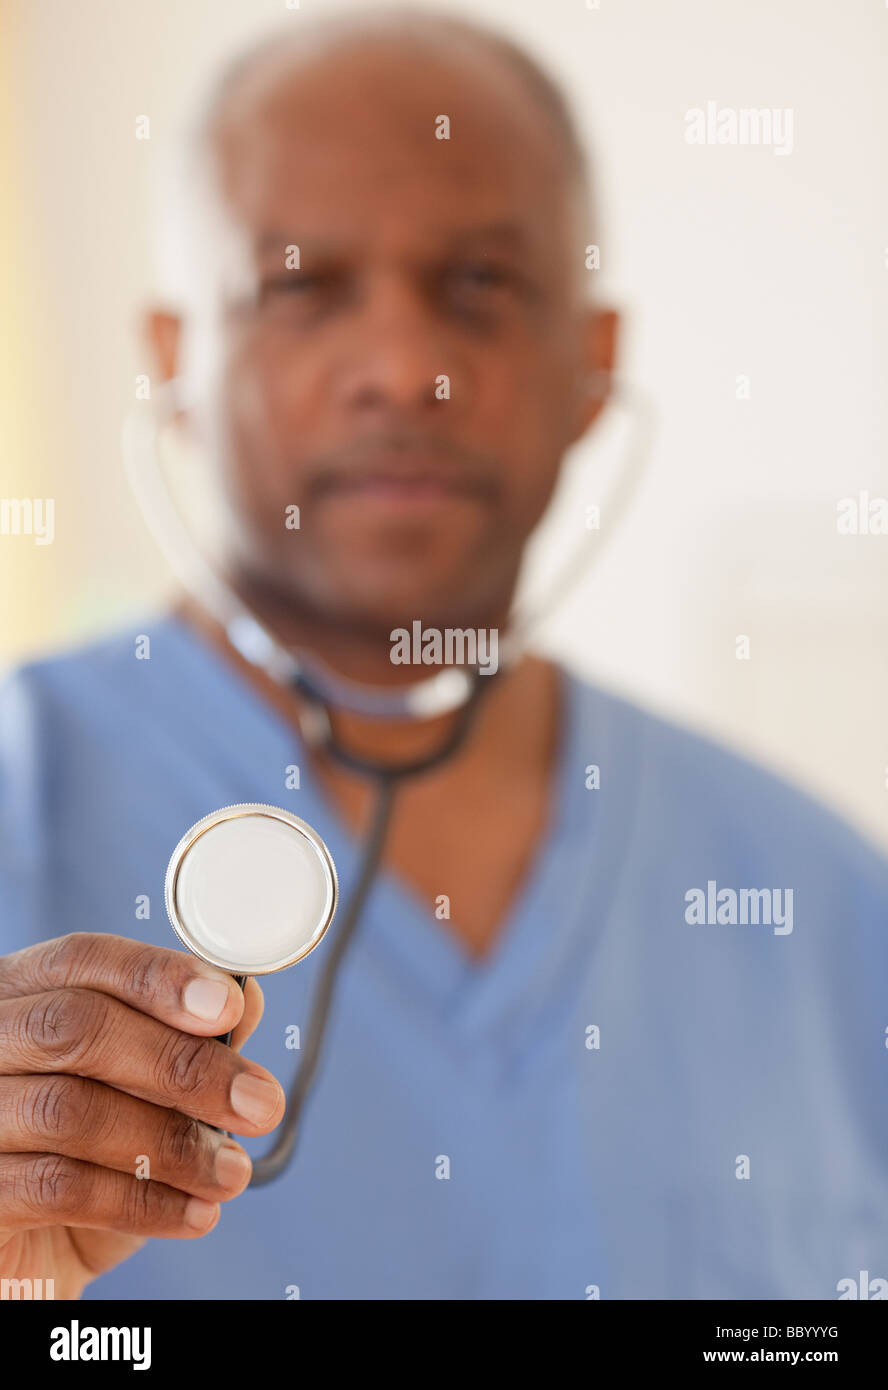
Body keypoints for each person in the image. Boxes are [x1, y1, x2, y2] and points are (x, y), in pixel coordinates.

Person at [1, 7, 886, 1302]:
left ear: (594, 367)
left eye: (481, 285)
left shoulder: (825, 902)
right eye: (301, 284)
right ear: (174, 365)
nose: (406, 368)